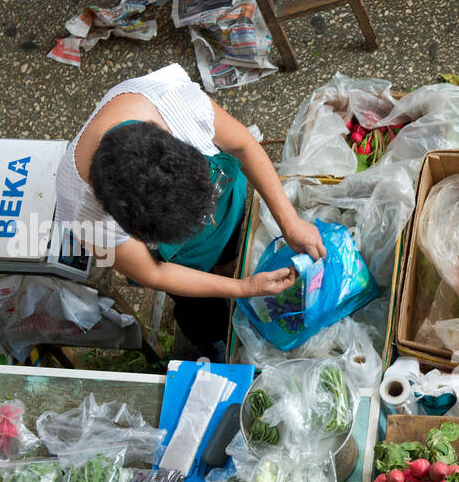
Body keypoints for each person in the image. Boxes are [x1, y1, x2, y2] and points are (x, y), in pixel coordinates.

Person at [56, 63, 325, 362]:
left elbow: (244, 147)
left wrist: (289, 222)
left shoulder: (175, 102)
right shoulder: (83, 211)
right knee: (201, 314)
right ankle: (210, 344)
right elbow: (153, 272)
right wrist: (242, 287)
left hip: (230, 213)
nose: (206, 221)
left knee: (236, 250)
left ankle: (226, 261)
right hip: (185, 264)